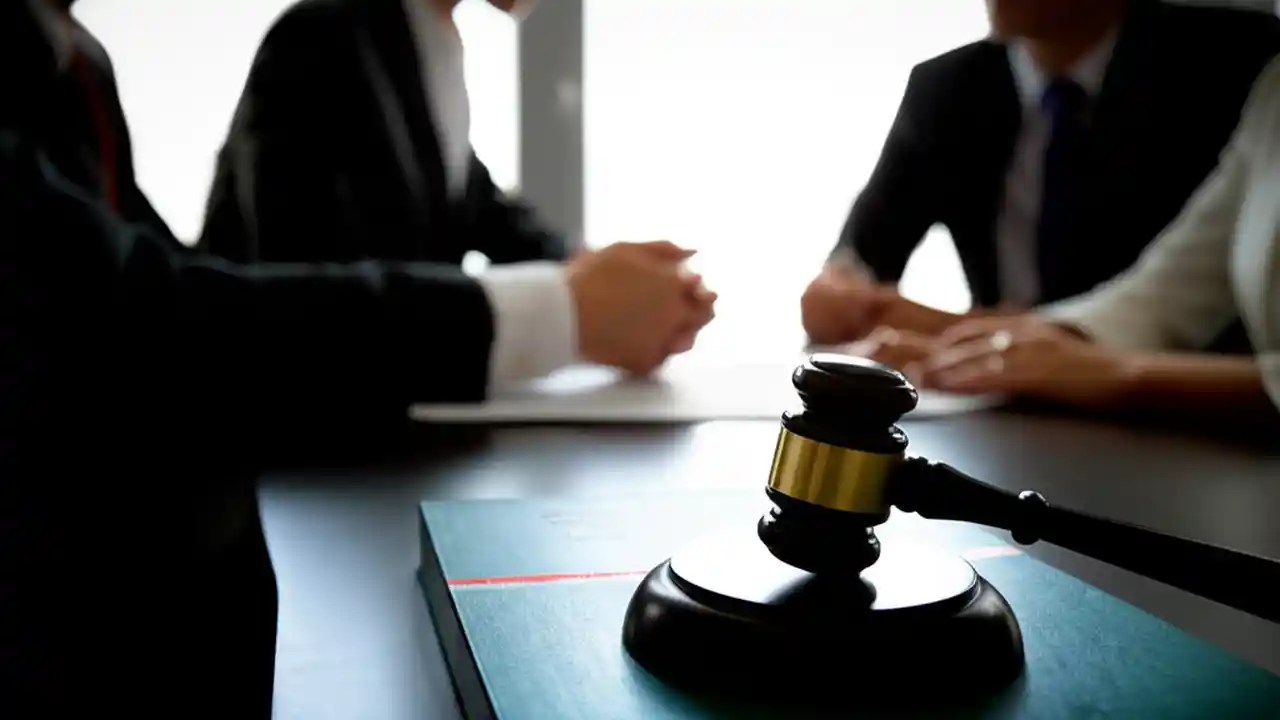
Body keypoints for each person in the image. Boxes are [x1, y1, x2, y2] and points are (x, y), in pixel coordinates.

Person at [0, 1, 713, 716]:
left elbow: (473, 197)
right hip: (199, 552)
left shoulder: (74, 53)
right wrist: (565, 310)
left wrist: (594, 278)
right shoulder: (320, 34)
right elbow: (159, 311)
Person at [801, 0, 1280, 346]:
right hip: (1006, 405)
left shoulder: (1231, 65)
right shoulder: (947, 88)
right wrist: (841, 289)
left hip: (1185, 418)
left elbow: (1171, 303)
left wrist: (957, 330)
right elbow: (862, 256)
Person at [863, 54, 1280, 426]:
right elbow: (1170, 287)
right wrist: (984, 342)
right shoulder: (1273, 90)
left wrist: (1116, 374)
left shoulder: (1215, 65)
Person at [197, 0, 568, 268]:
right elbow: (293, 261)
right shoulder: (319, 34)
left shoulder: (434, 45)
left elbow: (472, 205)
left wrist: (584, 268)